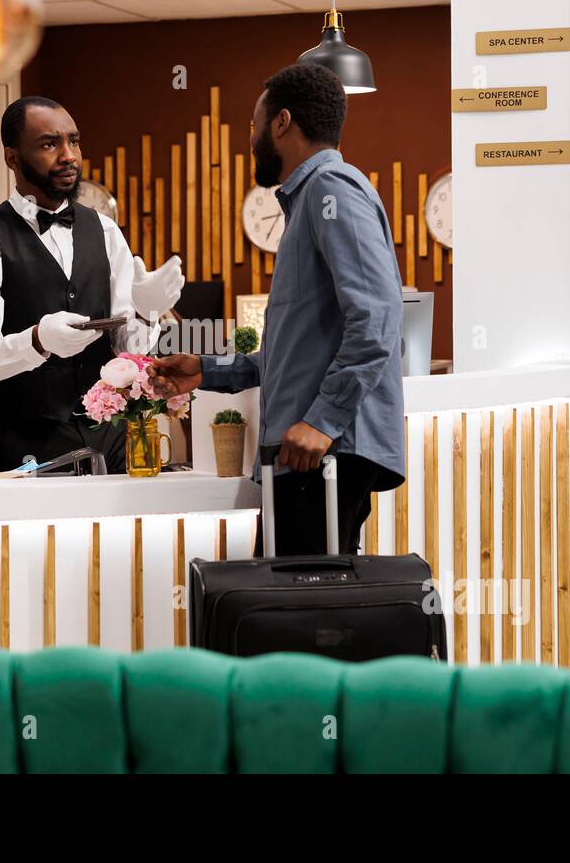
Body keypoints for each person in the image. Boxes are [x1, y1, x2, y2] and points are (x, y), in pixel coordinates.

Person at [150, 64, 406, 555]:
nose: (250, 137)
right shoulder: (310, 198)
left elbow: (376, 318)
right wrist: (207, 370)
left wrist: (322, 421)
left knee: (307, 621)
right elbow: (296, 355)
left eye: (253, 123)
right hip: (306, 457)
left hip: (322, 455)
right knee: (292, 615)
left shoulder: (332, 189)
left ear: (282, 122)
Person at [0, 96, 185, 472]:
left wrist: (146, 312)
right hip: (29, 446)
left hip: (111, 438)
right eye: (50, 144)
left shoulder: (106, 231)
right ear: (12, 157)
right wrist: (37, 340)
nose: (69, 156)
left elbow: (128, 349)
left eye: (74, 141)